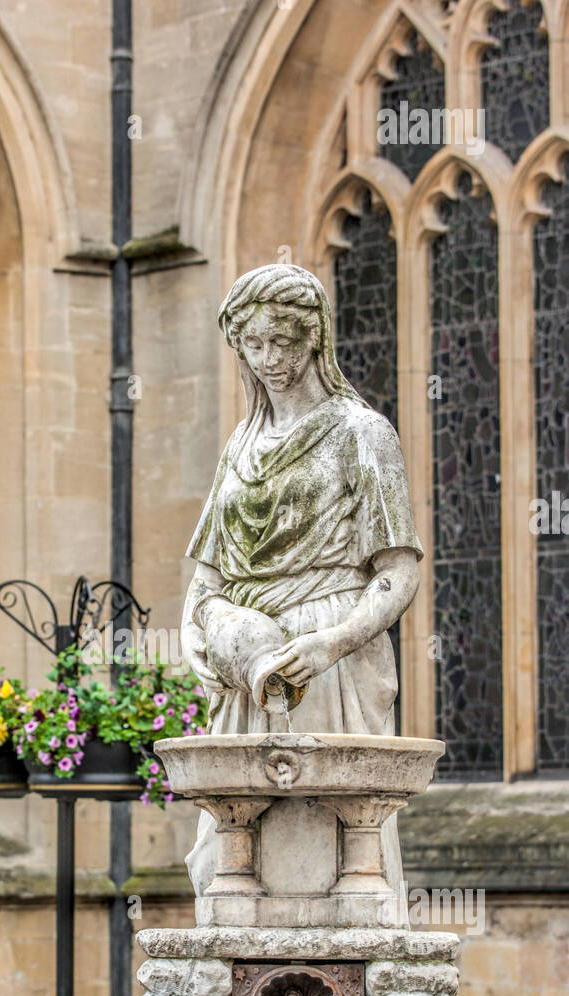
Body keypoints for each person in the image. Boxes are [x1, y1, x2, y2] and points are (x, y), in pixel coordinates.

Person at [181, 264, 422, 897]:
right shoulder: (240, 444)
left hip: (327, 653)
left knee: (331, 851)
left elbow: (397, 573)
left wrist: (332, 643)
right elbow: (208, 572)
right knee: (235, 858)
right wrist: (196, 633)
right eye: (254, 345)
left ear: (314, 338)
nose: (270, 360)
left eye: (283, 342)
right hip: (244, 656)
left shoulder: (361, 433)